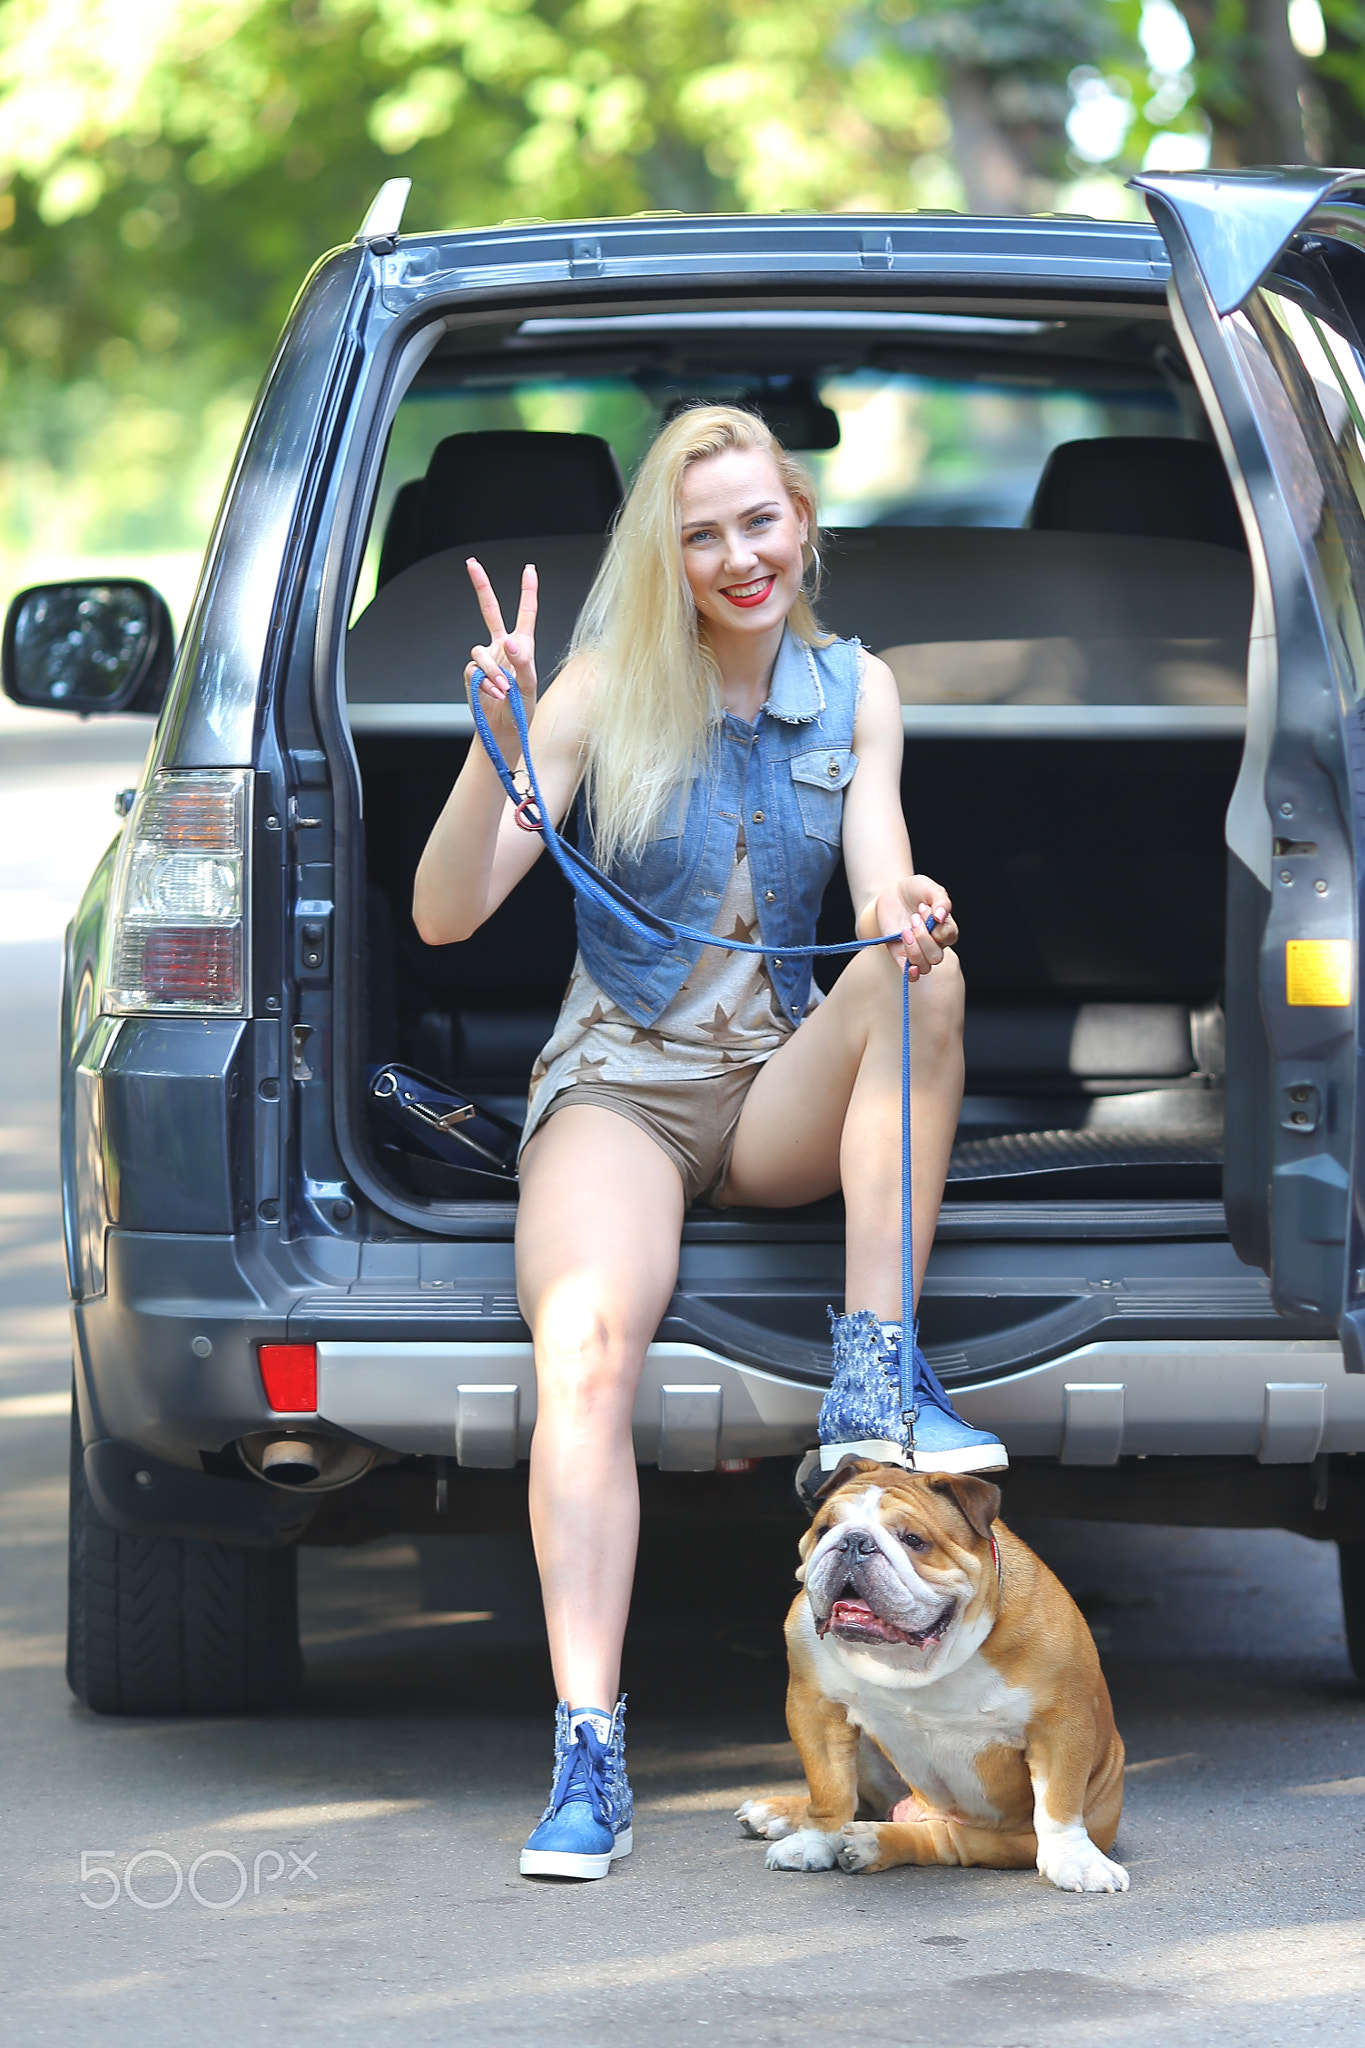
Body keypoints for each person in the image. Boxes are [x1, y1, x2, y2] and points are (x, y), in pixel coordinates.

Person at [412, 405, 1006, 1882]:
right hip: (624, 1077)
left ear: (800, 522)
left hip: (778, 1077)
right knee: (589, 1350)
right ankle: (587, 1747)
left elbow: (877, 880)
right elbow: (442, 912)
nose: (739, 556)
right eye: (701, 534)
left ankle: (875, 1366)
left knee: (921, 973)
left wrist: (909, 904)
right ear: (663, 557)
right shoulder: (606, 687)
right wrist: (500, 736)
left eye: (760, 521)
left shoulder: (853, 691)